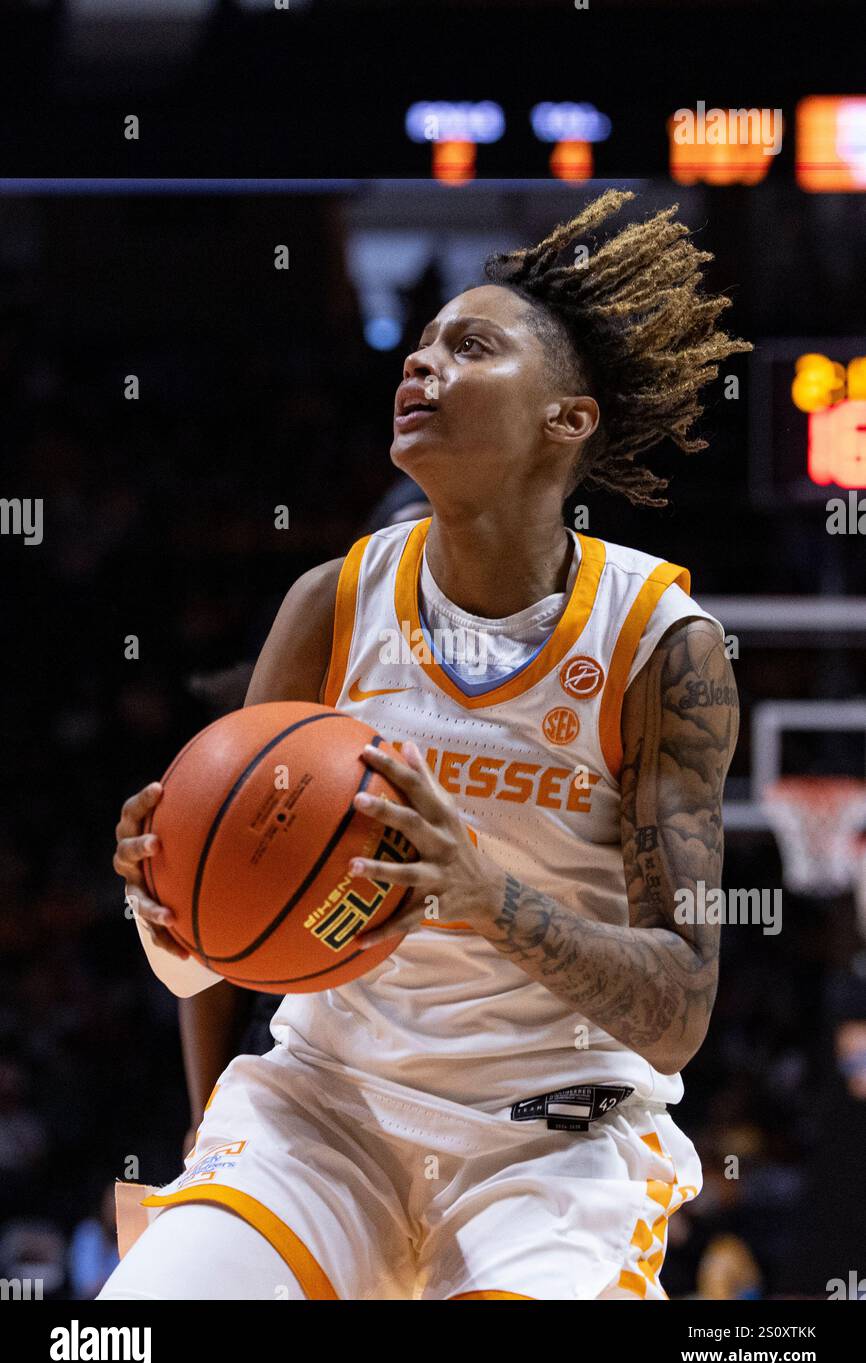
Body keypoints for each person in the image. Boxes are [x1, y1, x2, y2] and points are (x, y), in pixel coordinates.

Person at [104, 189, 745, 1301]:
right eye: (420, 346)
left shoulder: (658, 646)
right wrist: (168, 903)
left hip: (551, 1140)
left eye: (471, 347)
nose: (421, 363)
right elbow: (221, 939)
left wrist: (483, 892)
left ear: (567, 419)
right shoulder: (332, 602)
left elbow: (678, 1011)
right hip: (324, 1108)